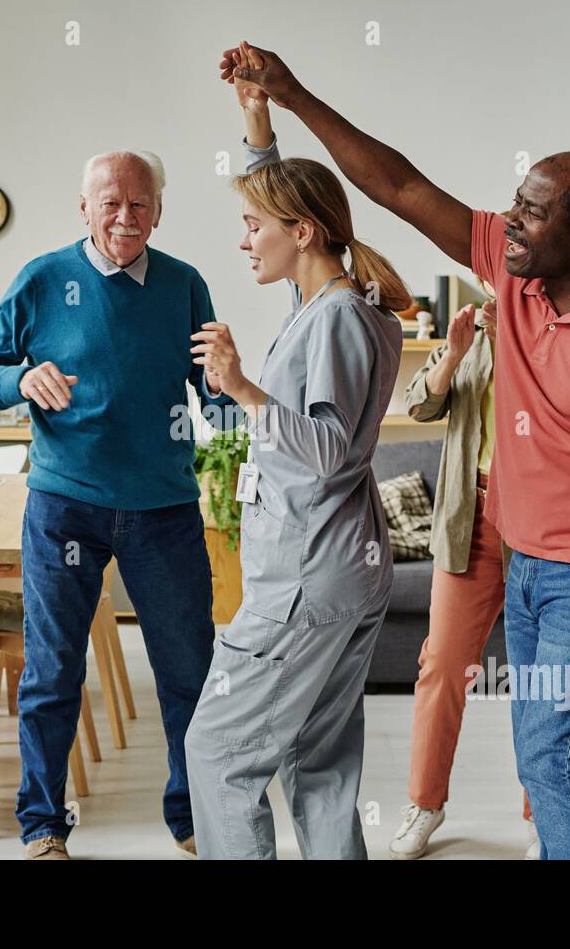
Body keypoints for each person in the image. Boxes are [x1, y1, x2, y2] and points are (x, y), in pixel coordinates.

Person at [223, 41, 570, 859]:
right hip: (523, 559)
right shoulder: (515, 271)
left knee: (553, 759)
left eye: (532, 213)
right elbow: (399, 186)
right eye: (514, 205)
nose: (510, 223)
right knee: (547, 751)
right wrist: (290, 94)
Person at [0, 149, 233, 860]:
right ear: (84, 208)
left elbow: (220, 407)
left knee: (188, 672)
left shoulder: (184, 286)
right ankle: (43, 826)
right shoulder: (44, 281)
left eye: (140, 204)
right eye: (110, 202)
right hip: (64, 506)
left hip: (164, 509)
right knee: (52, 673)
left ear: (159, 211)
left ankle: (193, 815)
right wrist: (19, 381)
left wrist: (232, 381)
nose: (125, 217)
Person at [182, 45, 405, 860]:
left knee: (218, 755)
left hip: (308, 580)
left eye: (253, 227)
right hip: (338, 572)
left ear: (303, 232)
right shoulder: (328, 298)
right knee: (320, 762)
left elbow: (331, 453)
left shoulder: (339, 317)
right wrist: (255, 115)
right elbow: (280, 191)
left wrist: (242, 388)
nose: (245, 242)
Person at [389, 298, 538, 860]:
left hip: (540, 527)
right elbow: (420, 404)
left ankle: (540, 811)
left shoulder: (556, 328)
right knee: (443, 663)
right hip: (469, 521)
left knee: (538, 675)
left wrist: (516, 342)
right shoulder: (469, 329)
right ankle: (425, 802)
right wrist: (452, 353)